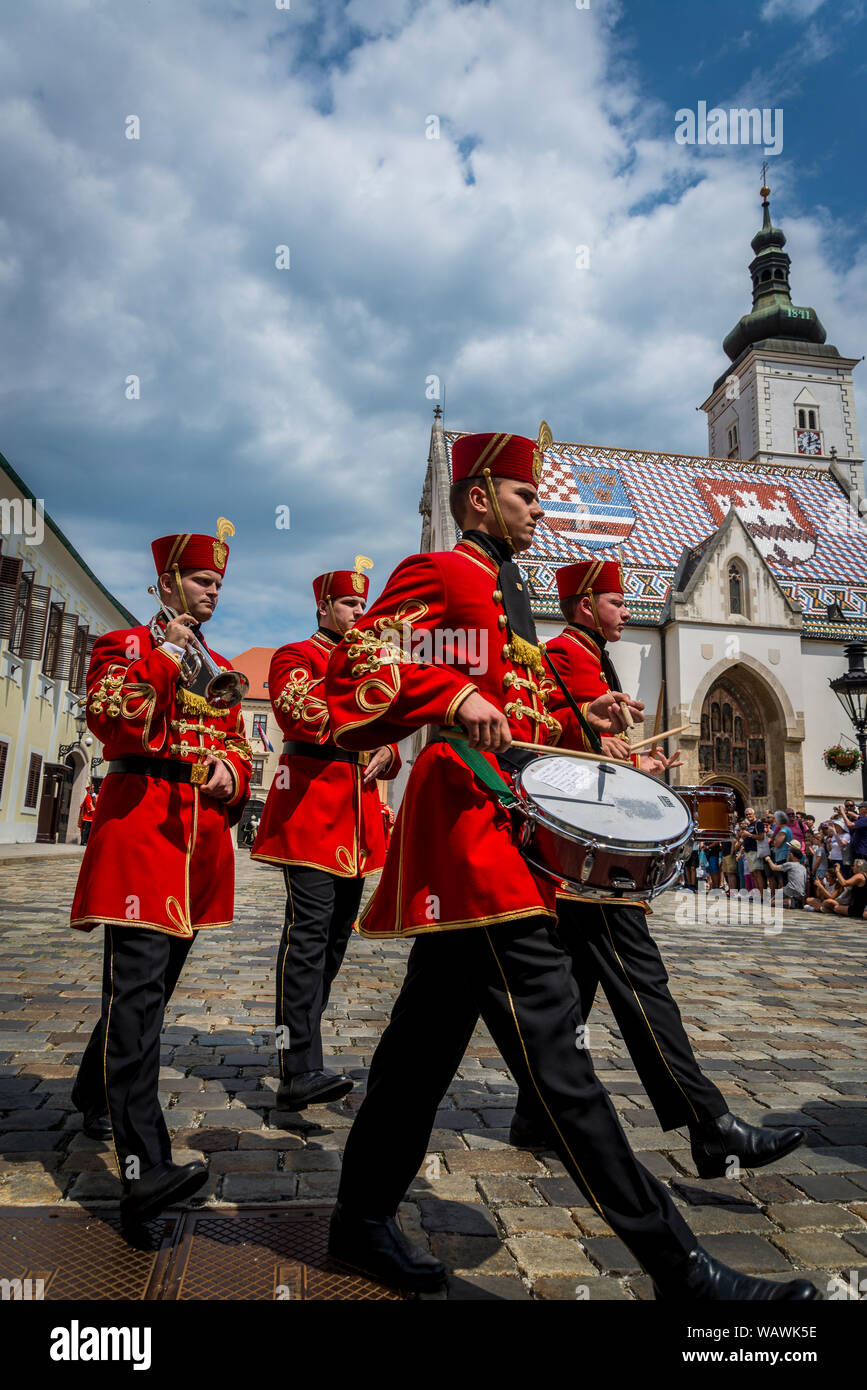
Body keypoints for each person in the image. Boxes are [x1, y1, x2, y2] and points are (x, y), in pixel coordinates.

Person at [322, 425, 815, 1301]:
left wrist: (589, 717)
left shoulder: (505, 592)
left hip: (502, 834)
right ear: (478, 498)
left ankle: (359, 1222)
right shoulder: (440, 573)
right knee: (560, 1060)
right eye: (525, 496)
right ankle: (679, 1270)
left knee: (415, 1058)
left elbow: (523, 723)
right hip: (470, 838)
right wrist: (454, 689)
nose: (538, 510)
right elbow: (363, 666)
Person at [508, 557, 804, 1182]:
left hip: (587, 855)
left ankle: (538, 1114)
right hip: (590, 860)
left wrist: (637, 768)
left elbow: (587, 752)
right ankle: (710, 1129)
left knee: (573, 995)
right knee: (646, 990)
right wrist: (610, 751)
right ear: (585, 605)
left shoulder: (588, 655)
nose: (624, 609)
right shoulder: (567, 653)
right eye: (616, 601)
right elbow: (556, 748)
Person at [69, 521, 252, 1230]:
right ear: (168, 582)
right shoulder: (126, 646)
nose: (212, 591)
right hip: (141, 836)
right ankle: (145, 1169)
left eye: (217, 584)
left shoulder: (224, 663)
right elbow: (114, 724)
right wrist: (168, 652)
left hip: (196, 848)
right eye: (203, 580)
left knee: (143, 997)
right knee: (139, 1003)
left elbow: (238, 744)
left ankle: (92, 1094)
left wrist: (226, 772)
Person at [251, 561, 400, 1111]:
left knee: (335, 942)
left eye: (364, 606)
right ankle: (299, 1067)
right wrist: (373, 717)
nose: (360, 614)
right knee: (307, 936)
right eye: (349, 605)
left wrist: (388, 749)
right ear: (323, 608)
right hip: (311, 819)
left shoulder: (367, 667)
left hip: (358, 827)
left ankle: (304, 1051)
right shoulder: (296, 655)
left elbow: (390, 731)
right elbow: (301, 715)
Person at [764, 843, 808, 909]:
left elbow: (774, 867)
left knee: (770, 903)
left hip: (791, 890)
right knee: (782, 889)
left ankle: (788, 902)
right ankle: (793, 901)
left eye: (789, 854)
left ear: (792, 855)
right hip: (801, 892)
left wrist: (768, 859)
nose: (788, 855)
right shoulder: (803, 868)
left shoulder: (790, 864)